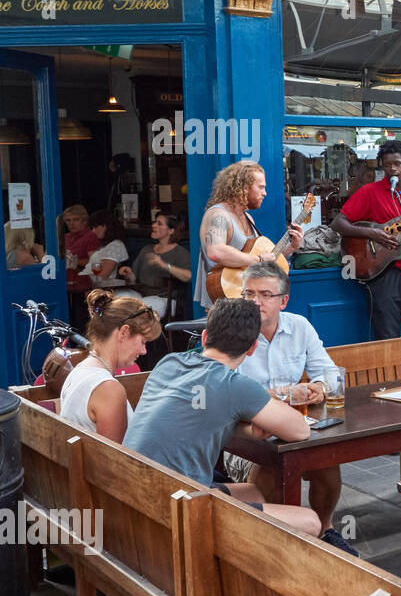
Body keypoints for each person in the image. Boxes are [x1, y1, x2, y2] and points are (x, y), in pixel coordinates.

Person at [123, 298, 326, 542]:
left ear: (205, 337)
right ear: (252, 348)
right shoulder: (234, 385)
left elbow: (198, 417)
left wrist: (247, 430)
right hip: (177, 507)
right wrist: (254, 424)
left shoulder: (169, 363)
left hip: (134, 492)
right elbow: (299, 431)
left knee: (255, 492)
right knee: (311, 522)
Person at [225, 263, 355, 555]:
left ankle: (324, 531)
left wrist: (319, 387)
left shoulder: (299, 327)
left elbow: (331, 374)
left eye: (265, 294)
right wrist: (285, 394)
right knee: (272, 470)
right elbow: (227, 392)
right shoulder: (232, 332)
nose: (255, 302)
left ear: (283, 300)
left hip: (295, 429)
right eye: (249, 294)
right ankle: (276, 545)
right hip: (244, 437)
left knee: (325, 461)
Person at [330, 140, 401, 371]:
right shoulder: (370, 192)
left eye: (397, 164)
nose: (392, 169)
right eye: (387, 165)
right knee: (387, 339)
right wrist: (373, 233)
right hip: (383, 274)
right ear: (382, 166)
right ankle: (390, 390)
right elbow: (338, 223)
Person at [198, 160, 304, 309]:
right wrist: (259, 259)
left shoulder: (248, 217)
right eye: (261, 187)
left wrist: (291, 247)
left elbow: (260, 259)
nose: (265, 193)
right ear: (242, 187)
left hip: (248, 301)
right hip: (225, 304)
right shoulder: (218, 215)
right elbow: (216, 252)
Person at [59, 290, 162, 442]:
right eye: (143, 342)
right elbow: (115, 460)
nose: (144, 351)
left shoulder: (80, 369)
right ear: (124, 332)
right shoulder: (109, 388)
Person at [117, 213, 192, 318]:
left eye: (159, 224)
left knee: (137, 308)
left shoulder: (180, 252)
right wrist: (128, 273)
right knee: (115, 302)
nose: (153, 225)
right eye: (155, 222)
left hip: (165, 299)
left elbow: (189, 276)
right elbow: (134, 279)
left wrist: (165, 265)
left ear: (171, 231)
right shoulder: (146, 249)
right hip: (142, 295)